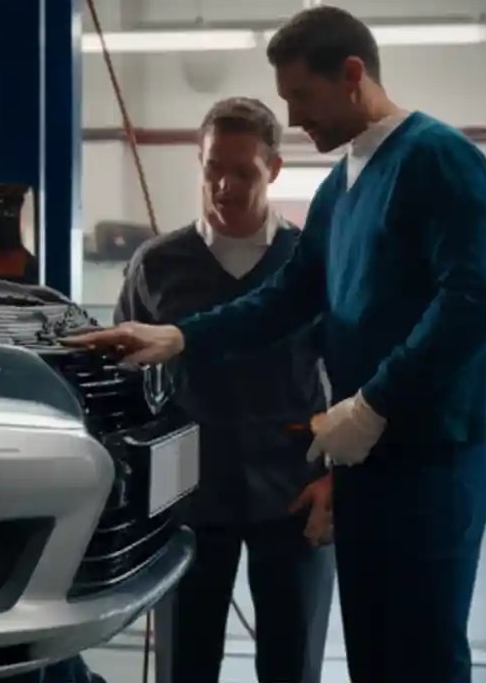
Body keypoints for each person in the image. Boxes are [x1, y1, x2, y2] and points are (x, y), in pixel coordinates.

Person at [63, 5, 486, 683]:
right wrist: (179, 335)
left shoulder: (438, 157)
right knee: (375, 651)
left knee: (422, 647)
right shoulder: (338, 187)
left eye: (302, 95)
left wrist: (374, 404)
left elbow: (472, 301)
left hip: (430, 450)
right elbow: (287, 299)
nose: (295, 119)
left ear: (352, 74)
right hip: (364, 456)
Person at [114, 96, 336, 683]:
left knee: (292, 662)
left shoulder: (312, 262)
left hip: (295, 491)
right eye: (213, 168)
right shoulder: (157, 265)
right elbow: (127, 387)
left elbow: (353, 376)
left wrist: (337, 477)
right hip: (187, 497)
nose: (224, 185)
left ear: (275, 170)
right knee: (185, 665)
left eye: (244, 171)